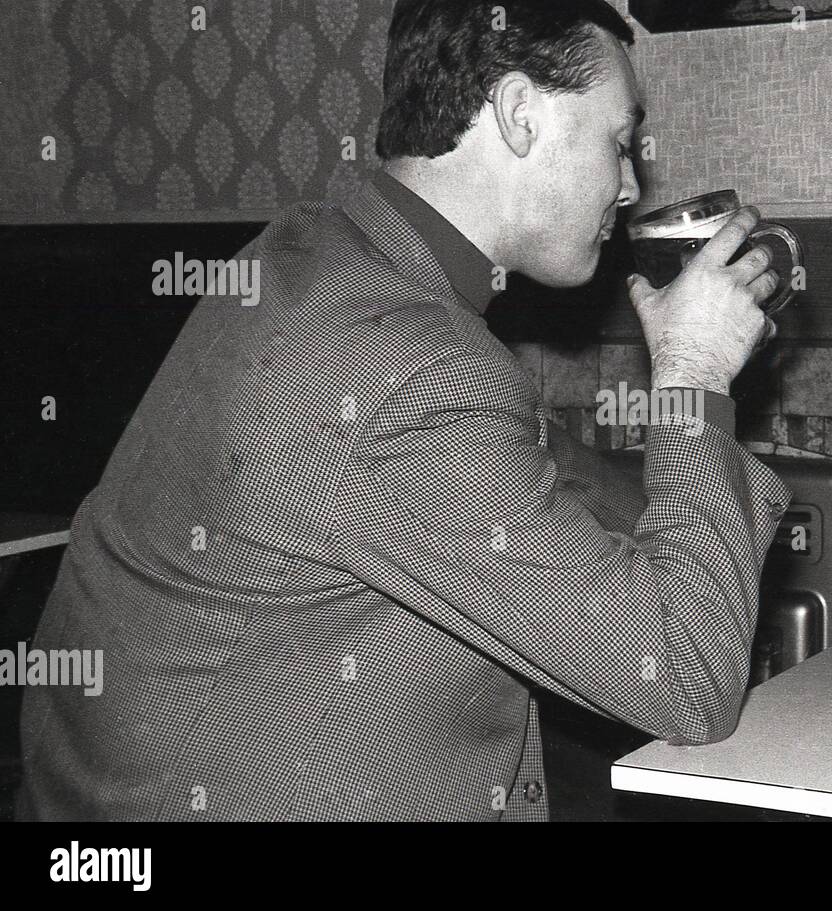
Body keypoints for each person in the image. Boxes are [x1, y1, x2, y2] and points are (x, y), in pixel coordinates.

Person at [18, 0, 789, 821]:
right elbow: (689, 682)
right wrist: (695, 374)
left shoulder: (310, 250)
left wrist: (692, 515)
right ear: (520, 113)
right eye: (619, 140)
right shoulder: (413, 371)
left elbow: (534, 455)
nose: (631, 183)